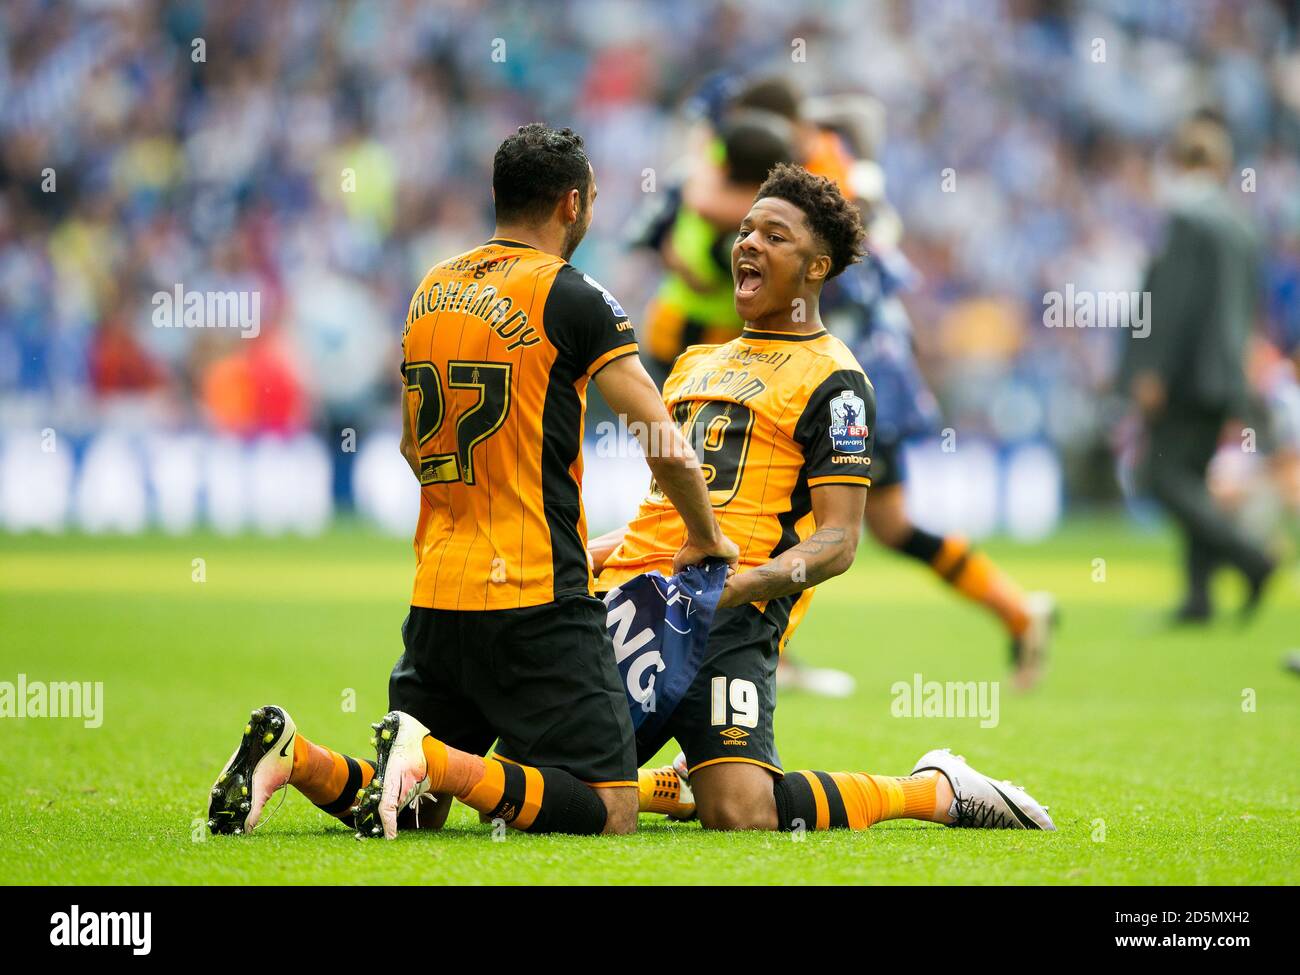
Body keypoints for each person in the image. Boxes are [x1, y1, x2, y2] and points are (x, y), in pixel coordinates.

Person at [207, 124, 737, 839]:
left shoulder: (431, 287)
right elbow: (662, 439)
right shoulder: (574, 296)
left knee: (414, 810)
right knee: (609, 808)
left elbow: (407, 442)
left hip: (437, 596)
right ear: (573, 204)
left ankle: (295, 757)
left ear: (498, 196)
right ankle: (435, 759)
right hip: (534, 596)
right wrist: (705, 535)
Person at [593, 164, 1054, 832]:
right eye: (746, 230)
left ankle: (933, 790)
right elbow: (656, 517)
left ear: (817, 268)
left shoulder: (836, 381)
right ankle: (677, 782)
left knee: (741, 814)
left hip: (734, 624)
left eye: (774, 236)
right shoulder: (696, 363)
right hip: (643, 604)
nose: (747, 243)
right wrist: (589, 553)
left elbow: (839, 541)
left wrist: (737, 587)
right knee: (575, 791)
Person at [1120, 111, 1276, 622]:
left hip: (1184, 378)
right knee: (1190, 476)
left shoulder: (1188, 220)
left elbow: (1173, 305)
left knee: (1159, 478)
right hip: (1224, 373)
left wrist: (1152, 371)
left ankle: (1252, 558)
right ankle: (1198, 599)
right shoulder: (1241, 226)